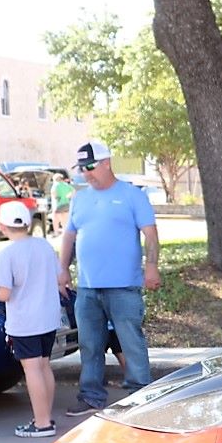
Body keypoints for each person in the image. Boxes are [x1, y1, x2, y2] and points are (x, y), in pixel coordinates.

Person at [58, 140, 159, 416]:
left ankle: (140, 396)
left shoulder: (131, 195)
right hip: (88, 287)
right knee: (90, 345)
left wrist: (151, 266)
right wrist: (62, 268)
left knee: (131, 342)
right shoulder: (80, 197)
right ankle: (91, 395)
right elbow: (69, 235)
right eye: (81, 169)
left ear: (106, 163)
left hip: (124, 286)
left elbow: (150, 233)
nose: (86, 174)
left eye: (89, 167)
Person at [0, 201, 62, 438]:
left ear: (2, 226)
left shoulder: (6, 253)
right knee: (44, 366)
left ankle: (42, 424)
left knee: (31, 369)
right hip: (48, 317)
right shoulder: (44, 246)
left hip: (25, 320)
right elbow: (60, 277)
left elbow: (4, 293)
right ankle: (45, 417)